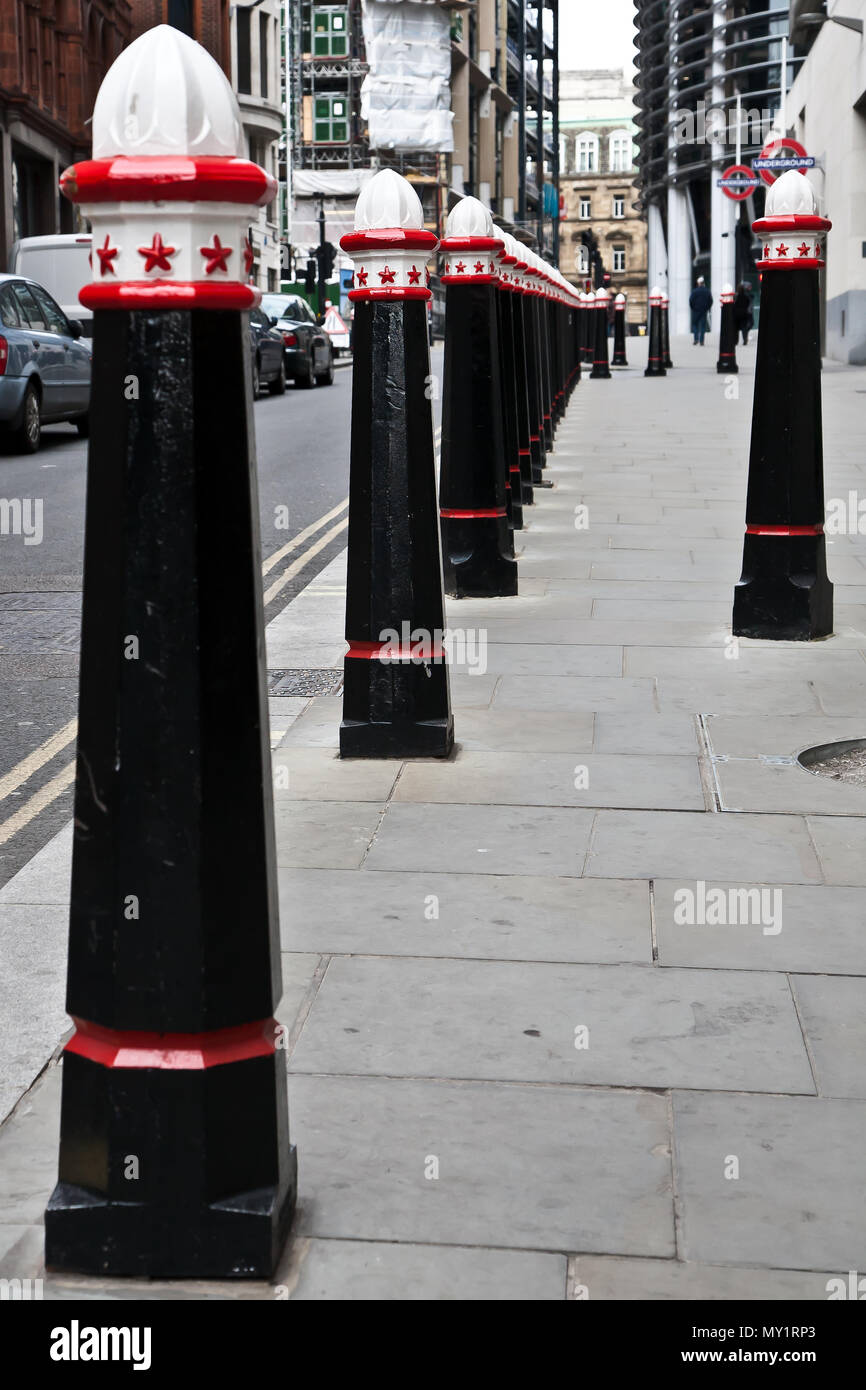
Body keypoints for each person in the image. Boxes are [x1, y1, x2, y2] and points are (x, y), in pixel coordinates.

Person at [689, 277, 713, 345]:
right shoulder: (707, 291)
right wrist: (707, 308)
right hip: (703, 310)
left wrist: (693, 308)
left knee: (695, 325)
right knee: (703, 326)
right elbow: (710, 301)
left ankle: (696, 339)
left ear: (698, 283)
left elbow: (691, 300)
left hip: (696, 310)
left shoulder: (695, 291)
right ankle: (702, 341)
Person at [733, 282, 754, 346]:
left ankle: (735, 341)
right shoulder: (746, 296)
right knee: (744, 328)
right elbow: (749, 304)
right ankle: (745, 340)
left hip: (736, 315)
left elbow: (733, 305)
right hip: (744, 314)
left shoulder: (735, 296)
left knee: (735, 329)